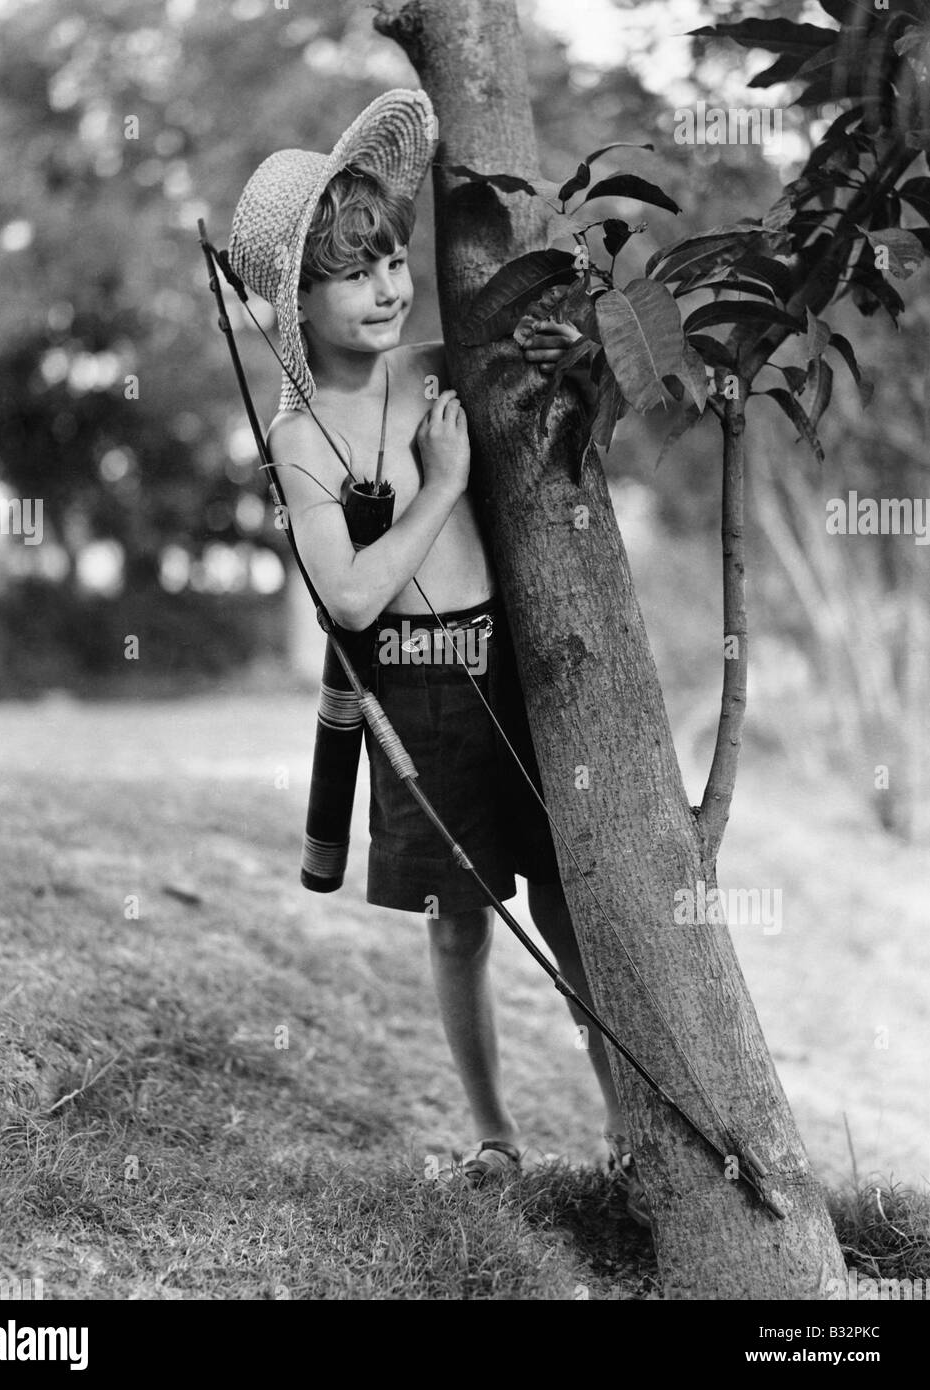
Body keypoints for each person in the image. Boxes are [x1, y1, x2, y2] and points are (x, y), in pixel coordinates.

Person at [228, 89, 649, 1224]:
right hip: (413, 690)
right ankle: (496, 1135)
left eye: (389, 262)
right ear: (294, 303)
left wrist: (585, 344)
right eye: (350, 274)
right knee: (460, 921)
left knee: (567, 906)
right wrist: (446, 484)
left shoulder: (434, 367)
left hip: (505, 667)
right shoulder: (301, 440)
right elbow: (355, 596)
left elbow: (546, 339)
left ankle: (629, 1125)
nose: (385, 287)